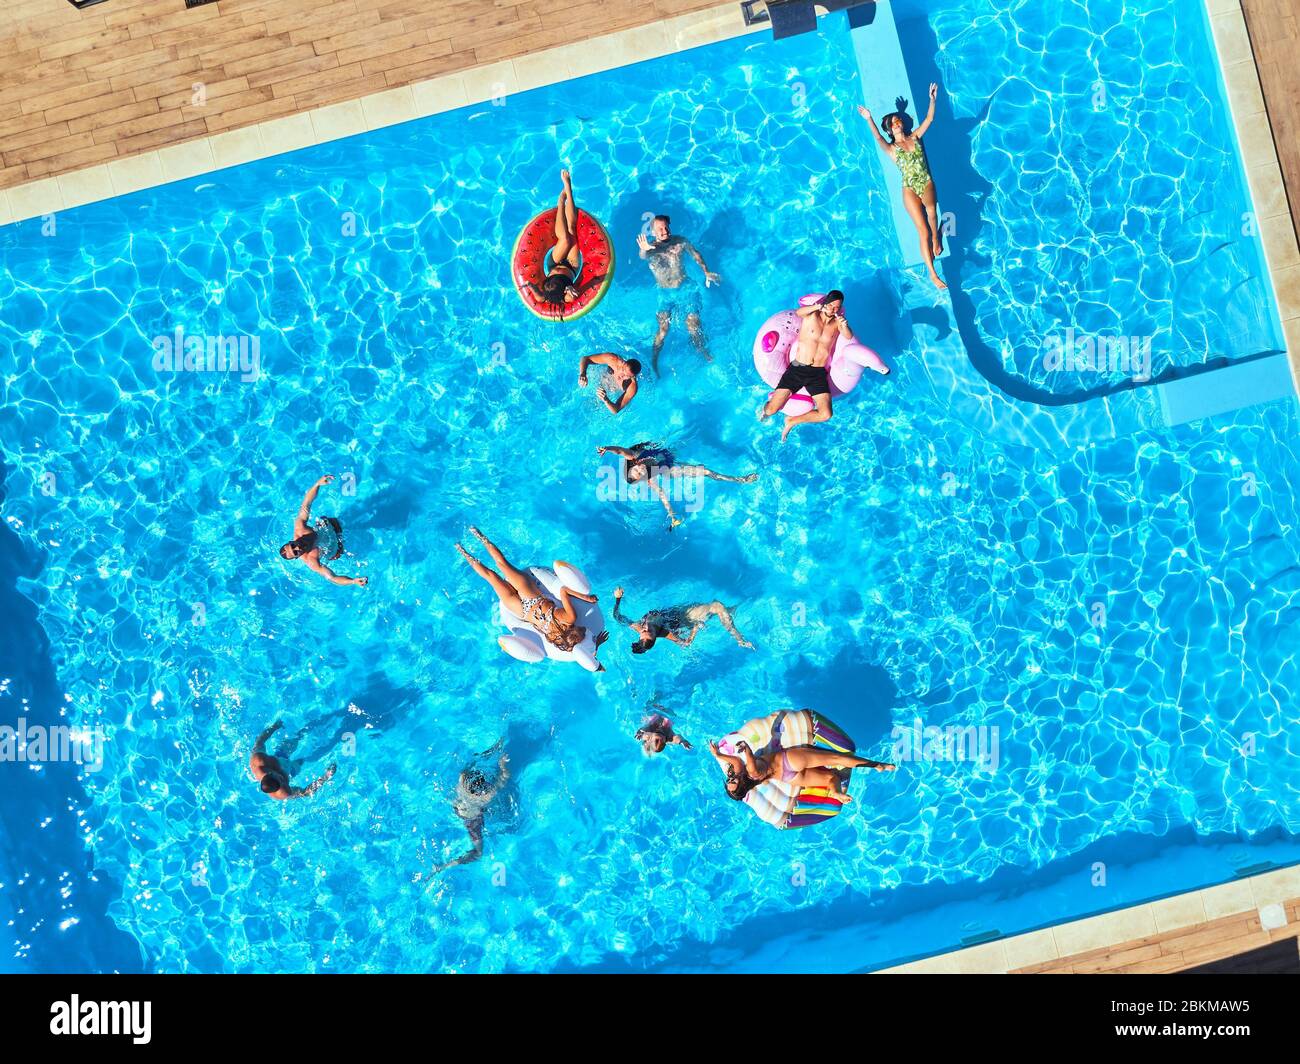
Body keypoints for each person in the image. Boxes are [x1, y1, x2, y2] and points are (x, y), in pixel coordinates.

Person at [455, 526, 608, 668]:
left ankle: (479, 535)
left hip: (531, 595)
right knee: (491, 577)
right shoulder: (561, 643)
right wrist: (597, 653)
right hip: (521, 611)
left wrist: (585, 598)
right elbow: (583, 655)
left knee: (502, 564)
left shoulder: (569, 618)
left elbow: (563, 591)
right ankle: (462, 551)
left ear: (579, 632)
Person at [858, 84, 946, 290]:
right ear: (890, 129)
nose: (897, 123)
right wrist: (869, 118)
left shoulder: (915, 137)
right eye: (893, 123)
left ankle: (936, 236)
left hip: (925, 182)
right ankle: (933, 274)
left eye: (898, 121)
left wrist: (932, 99)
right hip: (909, 188)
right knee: (921, 230)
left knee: (932, 210)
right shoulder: (891, 149)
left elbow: (929, 120)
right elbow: (878, 137)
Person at [758, 290, 866, 442]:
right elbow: (799, 312)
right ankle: (767, 407)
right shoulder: (811, 316)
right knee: (771, 410)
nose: (833, 310)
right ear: (826, 303)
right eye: (831, 306)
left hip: (818, 374)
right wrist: (818, 307)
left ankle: (792, 420)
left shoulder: (837, 324)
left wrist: (845, 325)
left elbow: (848, 336)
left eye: (837, 307)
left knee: (826, 414)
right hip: (797, 369)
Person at [596, 442, 757, 528]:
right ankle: (740, 480)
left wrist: (607, 448)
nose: (640, 470)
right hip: (668, 466)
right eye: (639, 475)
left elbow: (619, 451)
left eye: (636, 469)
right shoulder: (652, 478)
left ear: (634, 464)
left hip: (661, 452)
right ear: (643, 479)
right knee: (705, 472)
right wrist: (672, 515)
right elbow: (662, 496)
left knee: (679, 449)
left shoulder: (635, 456)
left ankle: (736, 479)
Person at [635, 214, 720, 374]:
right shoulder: (652, 249)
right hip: (665, 293)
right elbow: (643, 256)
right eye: (659, 228)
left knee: (693, 324)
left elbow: (696, 254)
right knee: (663, 329)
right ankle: (654, 359)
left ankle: (702, 351)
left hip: (685, 288)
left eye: (666, 227)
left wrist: (706, 271)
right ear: (653, 232)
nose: (664, 230)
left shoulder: (680, 241)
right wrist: (643, 249)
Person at [518, 169, 607, 316]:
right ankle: (568, 191)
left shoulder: (543, 296)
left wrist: (530, 286)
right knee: (571, 231)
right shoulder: (564, 298)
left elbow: (537, 296)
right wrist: (572, 292)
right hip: (572, 266)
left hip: (554, 263)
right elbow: (578, 293)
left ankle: (560, 202)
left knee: (564, 240)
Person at [708, 738, 894, 804]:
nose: (729, 780)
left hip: (788, 778)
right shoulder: (751, 773)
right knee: (835, 759)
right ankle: (877, 765)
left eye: (728, 783)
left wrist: (718, 755)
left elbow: (734, 762)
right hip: (789, 761)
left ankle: (835, 792)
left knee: (831, 777)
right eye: (732, 785)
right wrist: (746, 749)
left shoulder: (740, 775)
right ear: (740, 786)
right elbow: (750, 764)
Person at [431, 744, 510, 873]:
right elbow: (504, 777)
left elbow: (473, 761)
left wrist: (492, 750)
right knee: (478, 853)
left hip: (456, 807)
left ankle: (440, 868)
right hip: (471, 820)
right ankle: (442, 868)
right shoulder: (484, 798)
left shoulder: (462, 779)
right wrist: (502, 765)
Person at [278, 474, 368, 586]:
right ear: (297, 557)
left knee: (330, 520)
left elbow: (306, 504)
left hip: (331, 525)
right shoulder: (311, 560)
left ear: (291, 541)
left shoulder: (300, 528)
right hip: (337, 548)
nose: (297, 548)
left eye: (293, 546)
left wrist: (317, 484)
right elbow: (332, 577)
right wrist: (353, 581)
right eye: (295, 552)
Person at [612, 586, 754, 653]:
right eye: (648, 631)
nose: (645, 627)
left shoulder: (637, 626)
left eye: (643, 630)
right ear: (655, 636)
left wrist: (617, 599)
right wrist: (695, 629)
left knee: (722, 610)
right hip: (684, 618)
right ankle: (739, 639)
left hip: (676, 610)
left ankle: (733, 611)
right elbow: (685, 644)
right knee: (717, 606)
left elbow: (617, 617)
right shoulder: (665, 633)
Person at [249, 719, 337, 800]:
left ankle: (311, 726)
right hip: (290, 770)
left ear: (270, 773)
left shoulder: (259, 761)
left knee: (297, 738)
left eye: (280, 778)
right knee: (304, 760)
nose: (283, 779)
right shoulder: (283, 792)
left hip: (280, 756)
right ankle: (302, 760)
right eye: (282, 781)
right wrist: (326, 776)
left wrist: (274, 727)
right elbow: (305, 792)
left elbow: (260, 740)